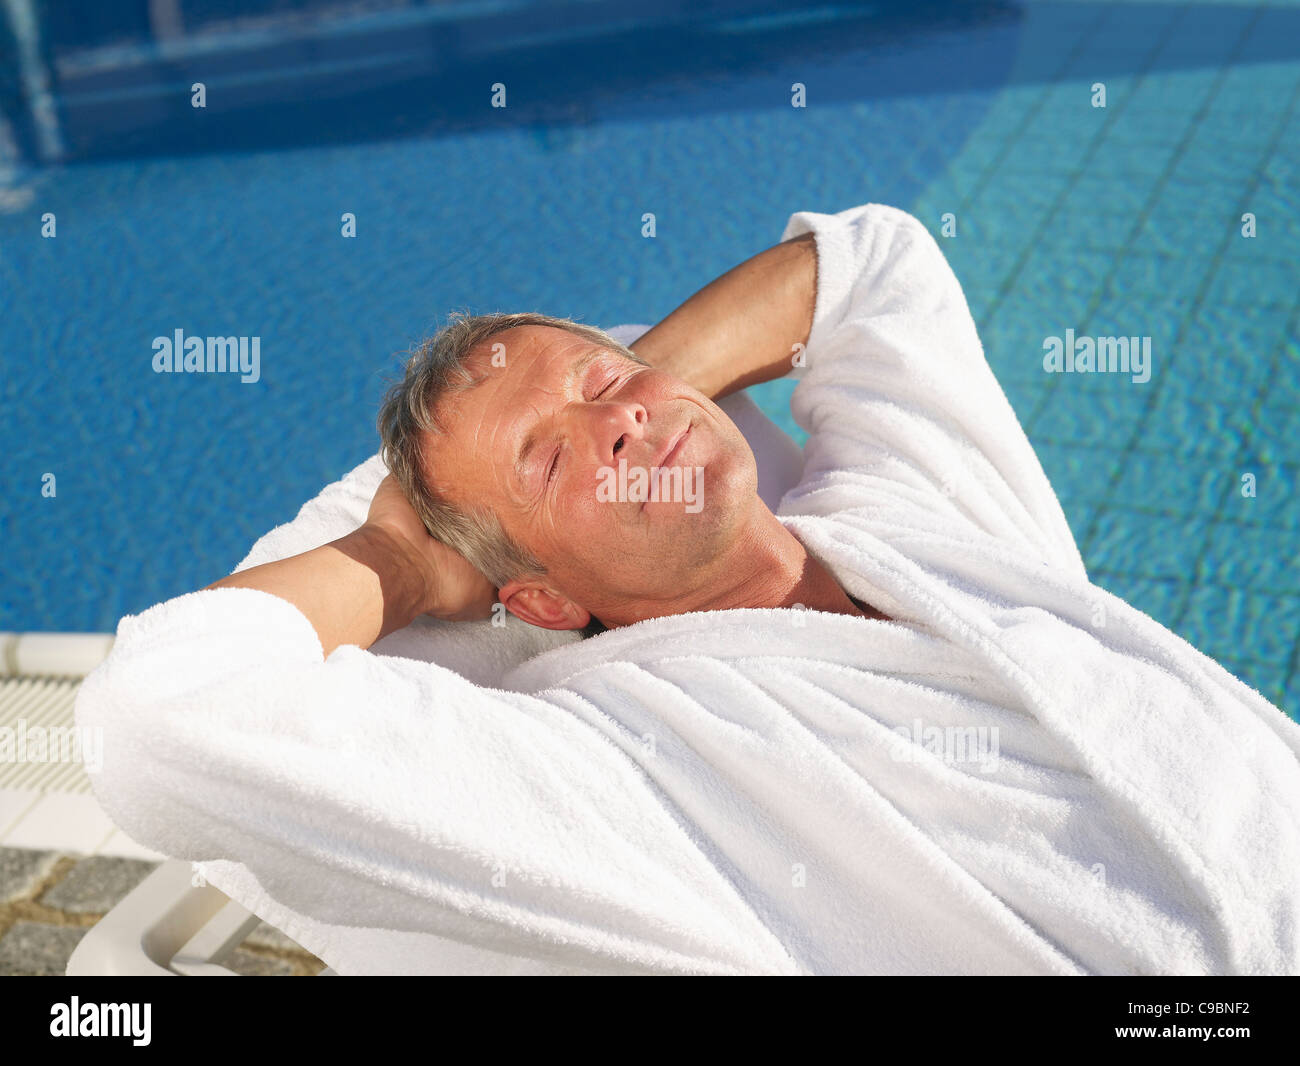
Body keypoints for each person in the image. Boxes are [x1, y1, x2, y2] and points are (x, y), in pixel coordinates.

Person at [78, 203, 1300, 976]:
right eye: (550, 461)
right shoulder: (611, 760)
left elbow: (874, 266)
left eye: (612, 383)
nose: (616, 427)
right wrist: (403, 564)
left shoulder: (911, 509)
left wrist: (634, 392)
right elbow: (163, 715)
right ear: (544, 598)